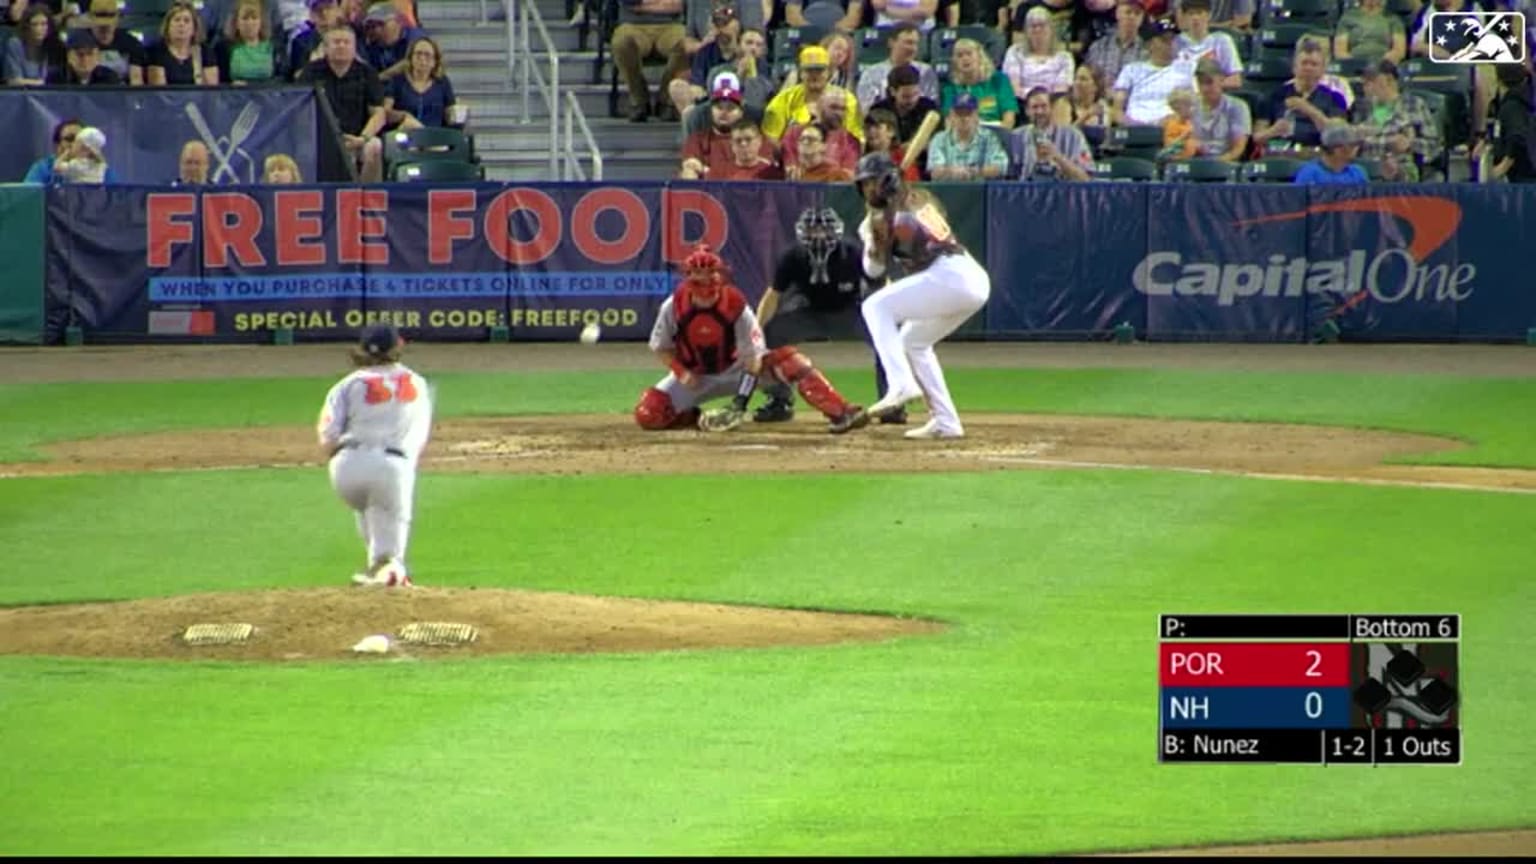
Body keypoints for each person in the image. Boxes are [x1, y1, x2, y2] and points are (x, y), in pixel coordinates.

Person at [856, 151, 992, 439]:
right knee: (913, 341)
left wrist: (870, 236)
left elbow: (874, 270)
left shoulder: (888, 218)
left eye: (873, 182)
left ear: (888, 180)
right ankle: (946, 421)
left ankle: (900, 383)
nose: (868, 189)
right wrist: (877, 225)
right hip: (968, 277)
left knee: (874, 307)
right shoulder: (922, 198)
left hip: (949, 275)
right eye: (864, 184)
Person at [747, 206, 894, 427]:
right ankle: (780, 400)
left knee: (887, 342)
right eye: (813, 230)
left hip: (850, 311)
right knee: (767, 339)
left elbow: (881, 283)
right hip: (809, 312)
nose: (818, 235)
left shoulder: (853, 252)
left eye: (823, 230)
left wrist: (889, 316)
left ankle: (891, 403)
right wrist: (757, 333)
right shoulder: (793, 256)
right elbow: (773, 295)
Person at [316, 324, 434, 589]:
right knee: (390, 551)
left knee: (370, 514)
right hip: (391, 467)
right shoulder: (416, 381)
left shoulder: (346, 385)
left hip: (345, 468)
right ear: (398, 346)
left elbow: (327, 436)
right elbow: (419, 434)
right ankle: (390, 574)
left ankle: (377, 574)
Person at [634, 244, 769, 431]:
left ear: (720, 275)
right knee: (649, 414)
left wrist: (741, 402)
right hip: (695, 376)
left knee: (790, 364)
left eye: (710, 272)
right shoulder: (673, 306)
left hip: (735, 370)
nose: (705, 279)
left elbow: (753, 359)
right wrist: (681, 372)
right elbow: (661, 347)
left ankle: (780, 403)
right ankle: (689, 415)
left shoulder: (736, 305)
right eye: (698, 273)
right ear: (688, 275)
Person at [1293, 123, 1369, 184]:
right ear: (1338, 149)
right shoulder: (1310, 173)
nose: (1356, 148)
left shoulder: (1357, 172)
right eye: (1353, 145)